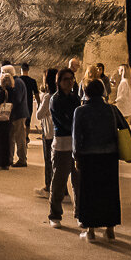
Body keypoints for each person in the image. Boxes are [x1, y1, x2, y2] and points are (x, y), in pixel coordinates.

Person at [73, 79, 122, 241]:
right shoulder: (111, 109)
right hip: (109, 155)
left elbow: (76, 137)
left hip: (89, 156)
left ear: (85, 92)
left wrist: (76, 156)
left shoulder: (80, 111)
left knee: (89, 193)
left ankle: (91, 230)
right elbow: (121, 129)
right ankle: (110, 229)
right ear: (102, 92)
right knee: (109, 192)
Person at [48, 67, 80, 228]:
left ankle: (80, 213)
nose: (69, 82)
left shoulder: (76, 98)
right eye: (66, 79)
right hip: (61, 145)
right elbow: (64, 122)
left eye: (71, 78)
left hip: (76, 145)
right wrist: (76, 126)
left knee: (78, 181)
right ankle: (55, 214)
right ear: (59, 82)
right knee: (59, 182)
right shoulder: (55, 99)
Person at [35, 69, 57, 196]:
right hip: (58, 132)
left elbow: (39, 115)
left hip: (49, 131)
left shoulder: (48, 96)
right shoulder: (60, 94)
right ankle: (61, 190)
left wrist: (41, 102)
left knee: (49, 161)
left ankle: (48, 187)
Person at [3, 63, 30, 167]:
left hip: (18, 114)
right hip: (16, 114)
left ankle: (22, 160)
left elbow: (17, 99)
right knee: (12, 137)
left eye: (2, 73)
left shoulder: (17, 82)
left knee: (20, 138)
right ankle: (10, 158)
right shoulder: (17, 81)